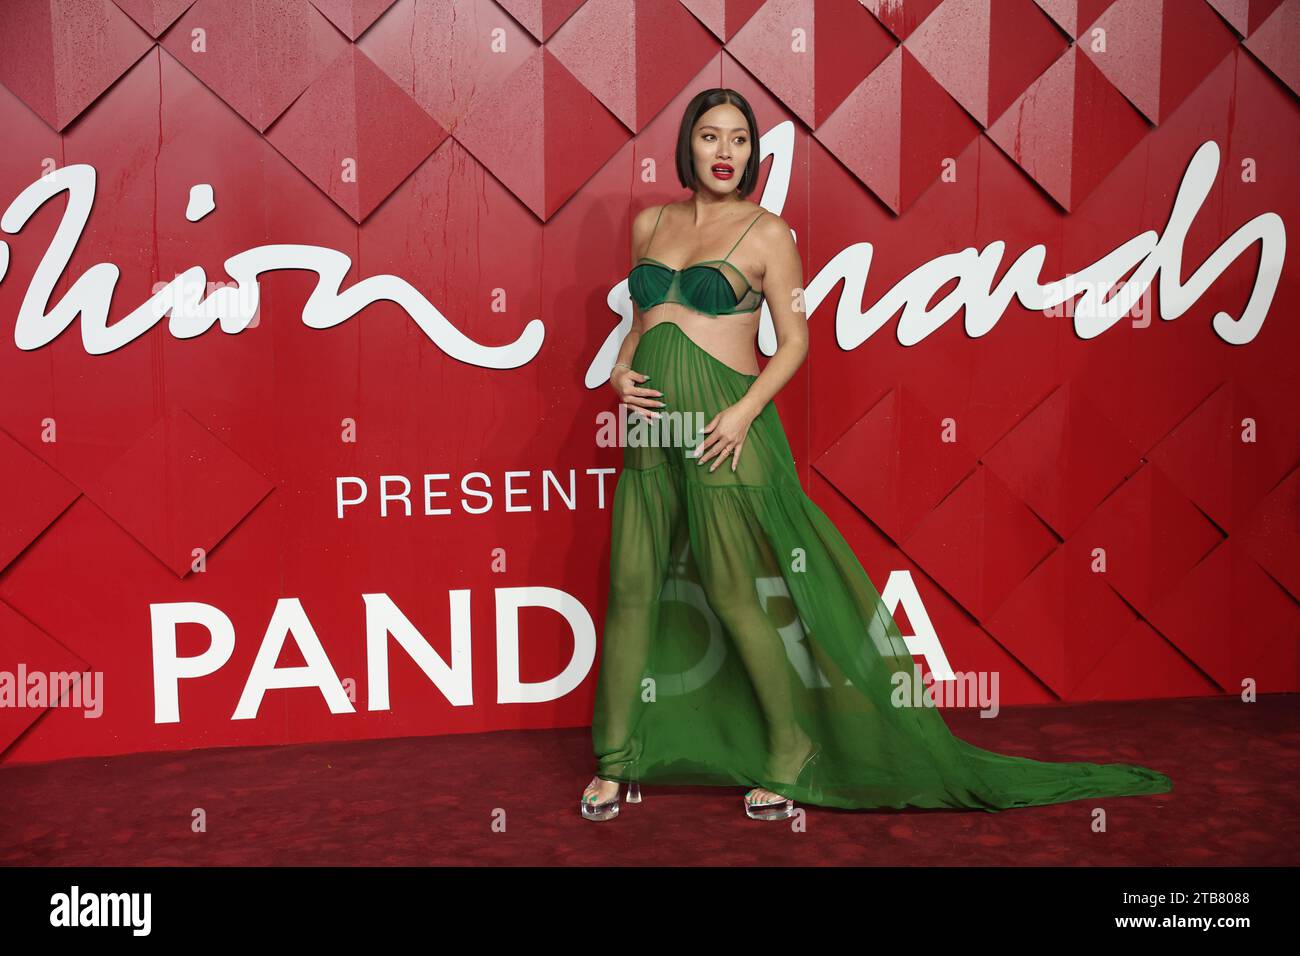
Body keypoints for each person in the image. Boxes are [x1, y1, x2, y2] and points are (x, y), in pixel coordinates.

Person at [581, 87, 1172, 821]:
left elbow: (794, 340)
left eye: (739, 138)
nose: (725, 152)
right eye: (710, 137)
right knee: (634, 587)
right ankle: (616, 762)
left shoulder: (768, 234)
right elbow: (645, 325)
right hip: (650, 427)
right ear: (688, 147)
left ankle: (790, 749)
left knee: (736, 595)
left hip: (723, 425)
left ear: (753, 151)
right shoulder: (650, 224)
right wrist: (618, 368)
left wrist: (742, 411)